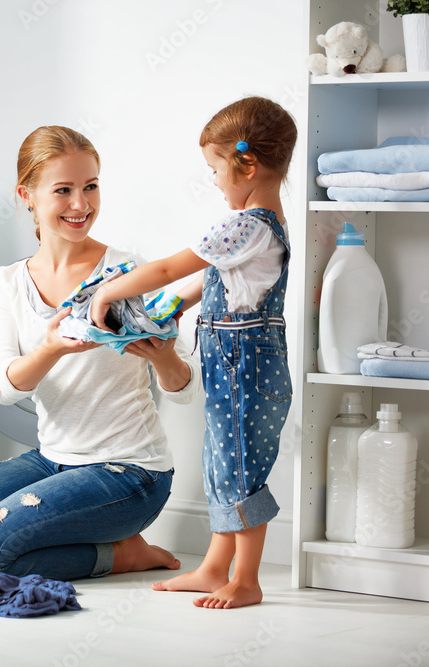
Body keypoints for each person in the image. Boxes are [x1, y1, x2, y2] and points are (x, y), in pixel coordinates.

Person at [0, 125, 200, 581]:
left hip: (130, 472)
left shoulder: (127, 273)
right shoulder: (8, 283)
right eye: (63, 190)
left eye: (90, 187)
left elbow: (184, 391)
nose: (81, 205)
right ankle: (92, 542)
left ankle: (125, 553)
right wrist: (50, 347)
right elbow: (4, 388)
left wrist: (162, 356)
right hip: (53, 459)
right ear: (26, 195)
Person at [87, 96, 297, 608]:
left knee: (241, 469)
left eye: (214, 169)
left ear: (245, 164)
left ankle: (246, 580)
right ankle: (213, 568)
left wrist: (108, 293)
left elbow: (166, 269)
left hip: (245, 365)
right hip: (239, 362)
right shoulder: (263, 224)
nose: (214, 180)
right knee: (223, 464)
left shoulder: (244, 225)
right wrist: (177, 306)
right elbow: (216, 281)